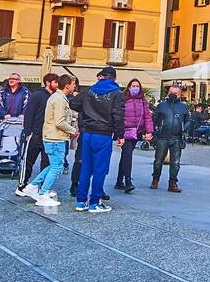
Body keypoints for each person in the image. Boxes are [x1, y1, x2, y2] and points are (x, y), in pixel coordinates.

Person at [72, 67, 124, 213]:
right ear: (114, 78)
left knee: (86, 168)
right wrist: (120, 135)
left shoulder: (89, 90)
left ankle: (81, 201)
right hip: (103, 134)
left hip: (87, 133)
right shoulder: (116, 93)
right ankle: (95, 202)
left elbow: (73, 103)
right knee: (100, 169)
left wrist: (86, 110)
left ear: (102, 77)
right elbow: (118, 116)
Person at [21, 74, 77, 207]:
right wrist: (73, 130)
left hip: (52, 136)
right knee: (57, 167)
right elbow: (59, 121)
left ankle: (33, 186)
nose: (75, 86)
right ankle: (43, 194)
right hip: (55, 137)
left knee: (53, 165)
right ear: (67, 85)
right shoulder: (59, 99)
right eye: (73, 84)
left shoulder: (57, 97)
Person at [15, 74, 57, 197]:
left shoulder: (54, 96)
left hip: (48, 134)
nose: (57, 84)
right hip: (35, 133)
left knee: (46, 161)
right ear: (48, 83)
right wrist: (28, 132)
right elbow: (29, 114)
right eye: (55, 82)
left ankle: (43, 188)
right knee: (29, 160)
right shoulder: (37, 95)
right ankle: (21, 186)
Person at [116, 77, 154, 193]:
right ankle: (128, 181)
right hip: (125, 131)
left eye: (137, 86)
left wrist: (149, 131)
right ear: (129, 87)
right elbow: (118, 115)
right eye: (133, 86)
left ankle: (119, 181)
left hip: (136, 132)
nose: (135, 88)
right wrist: (118, 131)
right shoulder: (123, 99)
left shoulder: (143, 101)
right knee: (127, 154)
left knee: (126, 155)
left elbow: (147, 116)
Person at [152, 83, 191, 192]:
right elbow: (154, 120)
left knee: (175, 163)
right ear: (168, 93)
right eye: (171, 93)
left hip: (177, 137)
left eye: (175, 93)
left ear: (179, 94)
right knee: (158, 161)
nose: (173, 94)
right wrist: (152, 133)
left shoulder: (183, 107)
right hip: (162, 136)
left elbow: (188, 120)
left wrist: (184, 128)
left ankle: (172, 183)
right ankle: (155, 179)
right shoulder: (162, 105)